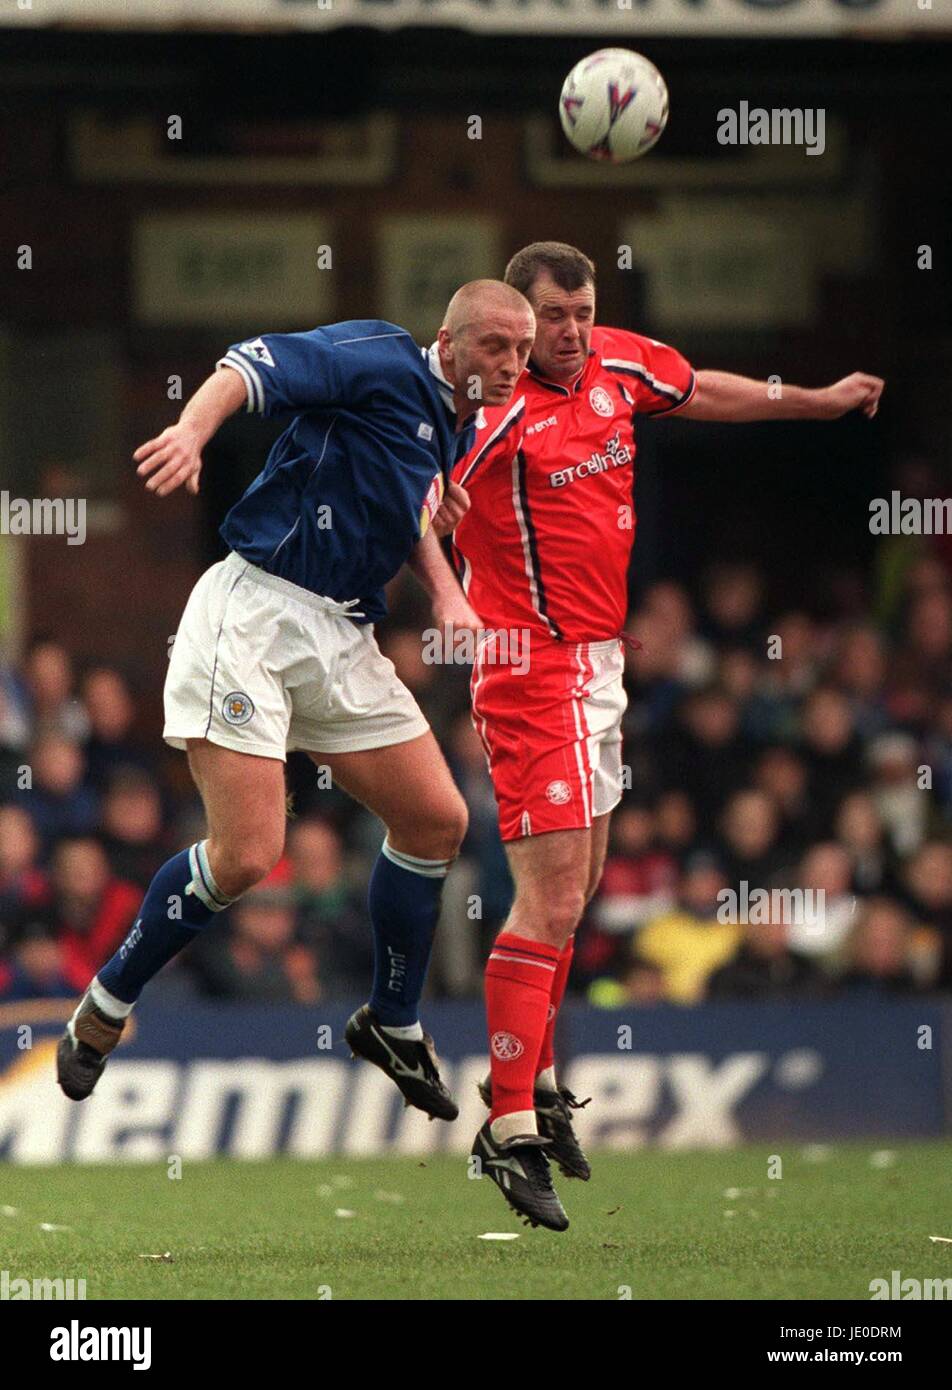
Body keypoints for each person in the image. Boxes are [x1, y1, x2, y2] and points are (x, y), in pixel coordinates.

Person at [438, 240, 884, 1230]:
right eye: (550, 319)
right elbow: (425, 498)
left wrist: (809, 400)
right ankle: (507, 1124)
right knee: (548, 897)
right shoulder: (497, 413)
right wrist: (443, 586)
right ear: (514, 326)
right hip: (529, 668)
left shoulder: (618, 364)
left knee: (576, 887)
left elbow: (702, 390)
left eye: (580, 311)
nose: (569, 332)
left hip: (598, 667)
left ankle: (539, 1085)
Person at [56, 281, 536, 1123]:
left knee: (437, 820)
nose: (511, 363)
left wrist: (448, 590)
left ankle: (390, 1020)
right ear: (449, 342)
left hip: (343, 635)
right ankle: (107, 1002)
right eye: (495, 345)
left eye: (523, 349)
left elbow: (411, 509)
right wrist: (191, 430)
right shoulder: (380, 357)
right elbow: (249, 365)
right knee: (246, 856)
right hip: (256, 613)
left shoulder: (461, 423)